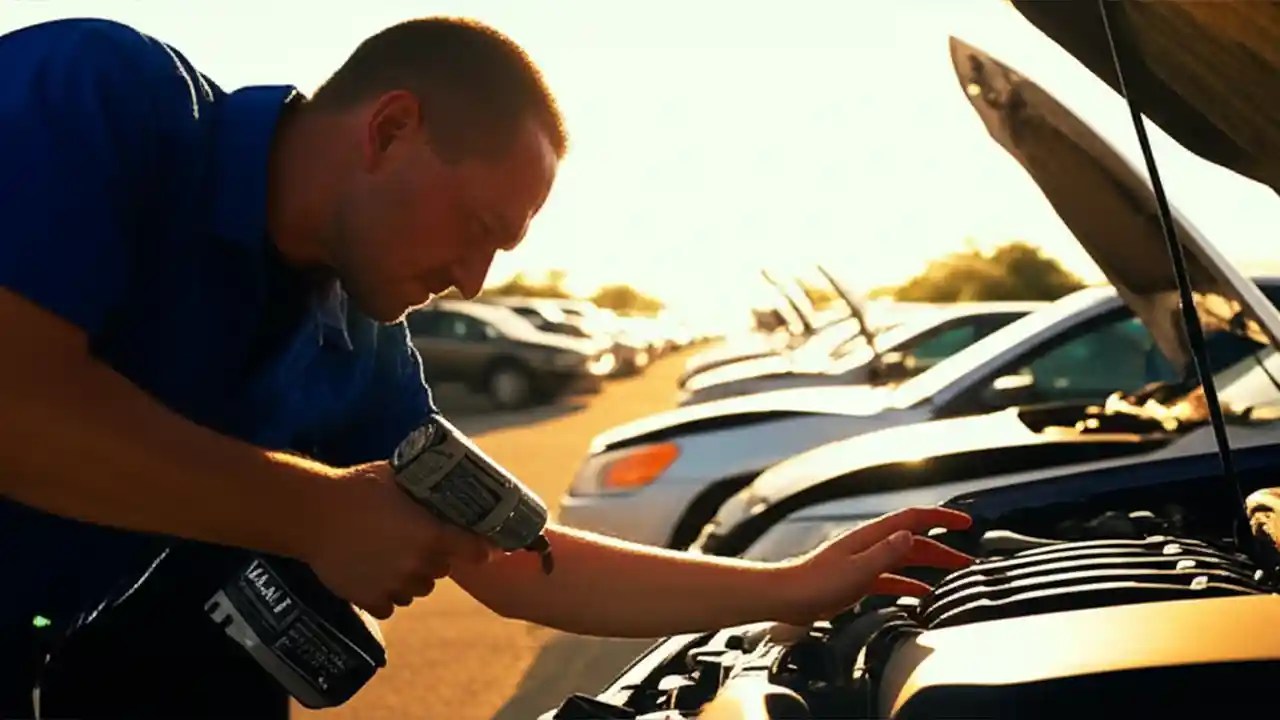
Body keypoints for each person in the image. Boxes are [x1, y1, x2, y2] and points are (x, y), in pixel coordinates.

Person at [0, 15, 974, 718]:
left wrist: (788, 587)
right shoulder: (105, 96)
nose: (471, 280)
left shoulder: (362, 347)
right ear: (388, 130)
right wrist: (315, 512)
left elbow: (514, 562)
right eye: (475, 229)